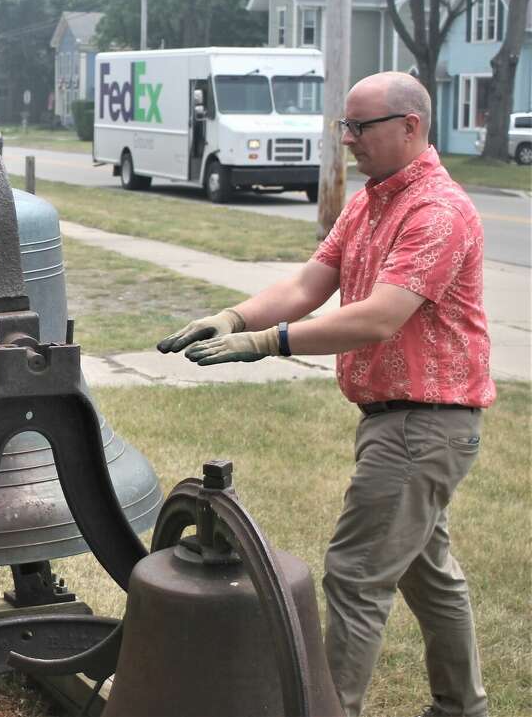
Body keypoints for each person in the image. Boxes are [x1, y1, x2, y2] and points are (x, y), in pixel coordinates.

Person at [157, 72, 492, 717]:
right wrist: (233, 318)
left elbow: (378, 317)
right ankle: (463, 708)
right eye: (345, 126)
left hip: (423, 425)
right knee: (430, 576)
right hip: (404, 422)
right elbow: (312, 283)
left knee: (356, 576)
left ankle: (331, 709)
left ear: (409, 127)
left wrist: (268, 344)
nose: (347, 140)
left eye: (359, 127)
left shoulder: (436, 211)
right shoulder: (372, 201)